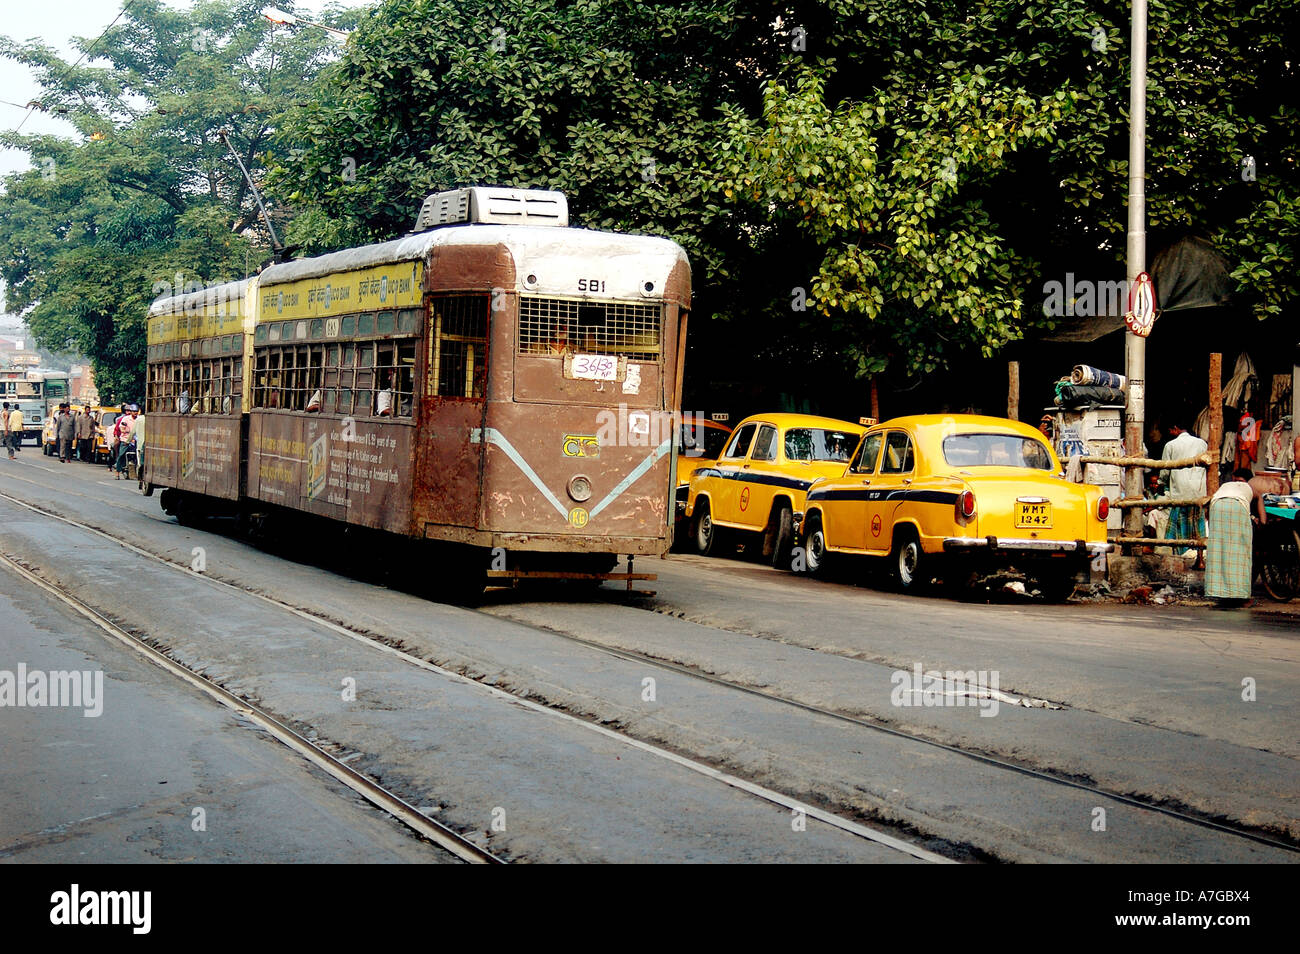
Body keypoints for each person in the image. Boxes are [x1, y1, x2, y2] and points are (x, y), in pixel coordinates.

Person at [1205, 468, 1258, 604]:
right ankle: (1241, 596)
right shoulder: (1251, 487)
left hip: (1216, 506)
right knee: (1241, 553)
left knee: (1218, 551)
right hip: (1237, 509)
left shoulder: (1225, 486)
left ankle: (1217, 591)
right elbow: (1262, 519)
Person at [1162, 417, 1209, 556]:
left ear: (1175, 428)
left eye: (1171, 430)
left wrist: (1161, 482)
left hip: (1179, 492)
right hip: (1198, 491)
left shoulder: (1170, 445)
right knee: (1196, 525)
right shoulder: (1202, 443)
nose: (1170, 433)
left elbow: (1164, 471)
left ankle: (1182, 554)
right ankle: (1198, 556)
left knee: (1180, 526)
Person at [112, 410, 135, 479]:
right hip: (125, 439)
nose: (135, 413)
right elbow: (121, 428)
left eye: (136, 411)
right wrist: (127, 431)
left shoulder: (138, 419)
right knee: (121, 455)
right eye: (133, 411)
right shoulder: (125, 419)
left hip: (135, 440)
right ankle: (117, 472)